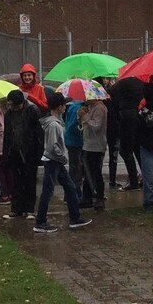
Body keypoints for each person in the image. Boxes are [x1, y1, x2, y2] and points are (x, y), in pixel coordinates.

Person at [33, 92, 92, 233]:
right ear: (59, 106)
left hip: (54, 160)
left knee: (70, 187)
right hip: (54, 161)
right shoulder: (54, 124)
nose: (65, 107)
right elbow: (53, 146)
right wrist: (62, 157)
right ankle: (40, 221)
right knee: (48, 191)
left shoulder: (54, 122)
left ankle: (75, 217)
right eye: (63, 105)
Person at [2, 89, 42, 220]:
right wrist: (6, 154)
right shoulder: (9, 114)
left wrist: (38, 154)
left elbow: (38, 135)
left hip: (29, 152)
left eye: (15, 105)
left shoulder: (32, 111)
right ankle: (17, 208)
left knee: (30, 181)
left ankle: (30, 208)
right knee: (16, 181)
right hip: (14, 151)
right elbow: (7, 135)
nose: (13, 108)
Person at [110, 75, 144, 190]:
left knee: (125, 150)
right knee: (137, 149)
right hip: (137, 116)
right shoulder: (140, 83)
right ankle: (145, 177)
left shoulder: (124, 82)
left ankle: (133, 180)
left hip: (126, 117)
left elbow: (111, 92)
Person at [78, 96, 107, 210]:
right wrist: (81, 115)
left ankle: (99, 197)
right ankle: (87, 197)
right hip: (87, 145)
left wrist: (84, 116)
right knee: (87, 172)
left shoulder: (99, 108)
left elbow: (96, 126)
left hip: (96, 146)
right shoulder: (90, 107)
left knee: (96, 172)